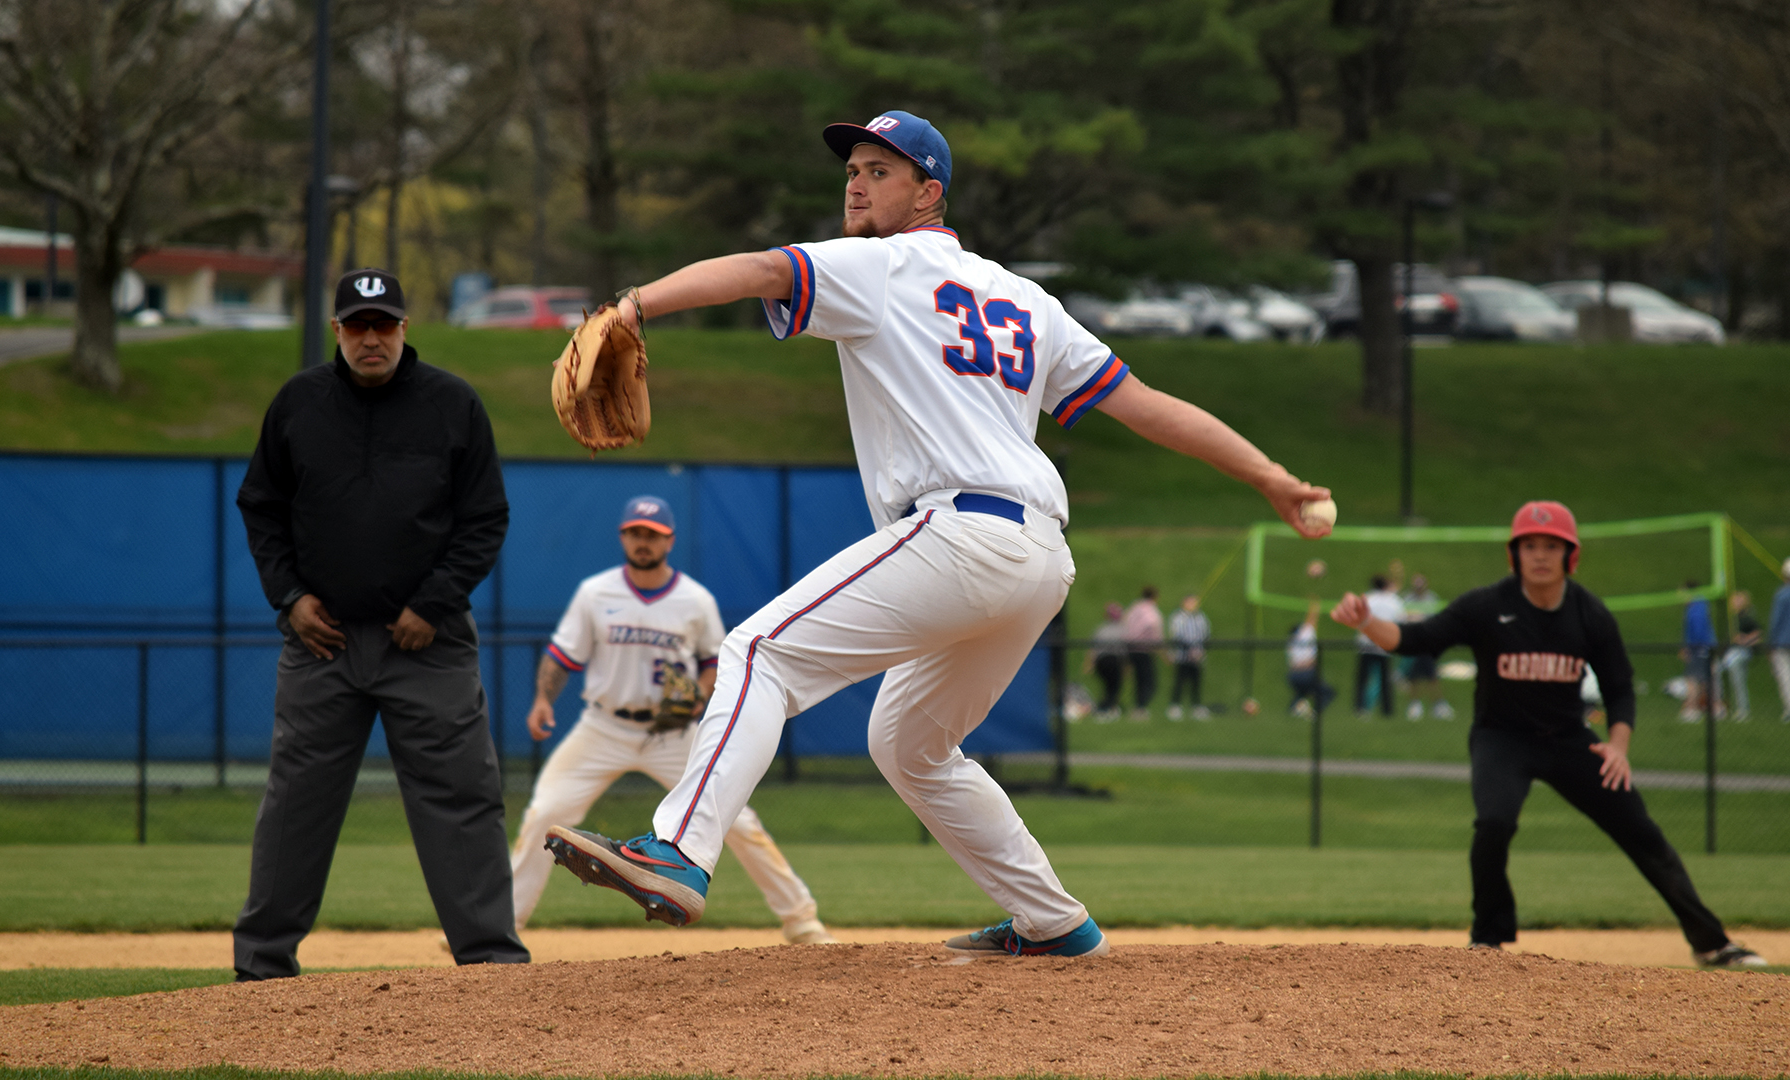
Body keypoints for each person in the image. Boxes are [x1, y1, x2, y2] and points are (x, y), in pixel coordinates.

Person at [541, 109, 1332, 959]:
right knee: (910, 744)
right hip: (1038, 559)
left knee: (759, 653)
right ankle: (1054, 922)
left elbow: (762, 269)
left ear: (930, 192)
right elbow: (1146, 406)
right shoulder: (1027, 300)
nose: (855, 181)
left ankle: (679, 852)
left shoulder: (881, 267)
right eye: (851, 167)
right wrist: (1272, 479)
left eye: (881, 170)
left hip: (962, 533)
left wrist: (632, 306)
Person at [231, 268, 528, 979]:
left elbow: (484, 519)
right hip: (320, 642)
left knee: (461, 798)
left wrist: (432, 603)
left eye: (384, 324)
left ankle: (490, 961)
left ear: (405, 328)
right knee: (296, 804)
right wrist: (289, 597)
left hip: (428, 644)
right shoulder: (298, 403)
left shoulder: (452, 404)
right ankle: (263, 967)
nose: (372, 338)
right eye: (357, 325)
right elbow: (261, 507)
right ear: (337, 330)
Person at [1331, 500, 1766, 968]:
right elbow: (1416, 639)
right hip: (1501, 739)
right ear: (1514, 554)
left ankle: (1711, 942)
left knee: (1640, 831)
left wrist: (1618, 745)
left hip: (1569, 739)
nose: (1540, 555)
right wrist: (1365, 623)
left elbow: (1620, 688)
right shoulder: (1486, 605)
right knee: (1493, 824)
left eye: (1551, 546)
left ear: (1570, 556)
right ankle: (1488, 940)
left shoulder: (1589, 613)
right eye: (1530, 545)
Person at [513, 496, 832, 944]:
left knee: (739, 823)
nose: (643, 542)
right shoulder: (595, 593)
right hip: (604, 727)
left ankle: (801, 920)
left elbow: (712, 663)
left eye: (653, 535)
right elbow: (562, 656)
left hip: (672, 732)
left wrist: (698, 697)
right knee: (544, 811)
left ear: (669, 541)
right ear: (624, 536)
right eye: (636, 533)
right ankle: (503, 925)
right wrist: (542, 701)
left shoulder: (694, 599)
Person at [1400, 574, 1451, 720]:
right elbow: (1403, 617)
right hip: (1413, 643)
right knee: (1413, 677)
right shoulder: (1407, 599)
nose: (1419, 589)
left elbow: (1437, 619)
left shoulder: (1431, 599)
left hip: (1427, 643)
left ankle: (1438, 705)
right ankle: (1414, 705)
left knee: (1432, 675)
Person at [1354, 575, 1404, 718]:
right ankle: (1387, 710)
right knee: (1385, 678)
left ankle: (1360, 708)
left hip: (1366, 642)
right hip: (1385, 643)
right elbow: (1401, 620)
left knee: (1363, 678)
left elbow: (1358, 619)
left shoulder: (1367, 599)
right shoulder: (1394, 601)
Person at [1285, 601, 1336, 718]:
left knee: (1301, 694)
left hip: (1293, 675)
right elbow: (1311, 621)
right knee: (1327, 693)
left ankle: (1292, 710)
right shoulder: (1305, 634)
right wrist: (1315, 606)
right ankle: (1314, 713)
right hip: (1307, 673)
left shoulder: (1290, 643)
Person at [1121, 586, 1164, 719]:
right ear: (1155, 597)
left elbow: (1125, 623)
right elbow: (1154, 629)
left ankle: (1138, 707)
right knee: (1149, 682)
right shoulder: (1152, 612)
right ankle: (1140, 708)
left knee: (1139, 680)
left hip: (1130, 648)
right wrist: (1163, 652)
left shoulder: (1134, 608)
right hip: (1144, 650)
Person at [1166, 594, 1211, 720]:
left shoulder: (1201, 618)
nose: (1193, 605)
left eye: (1195, 603)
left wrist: (1200, 650)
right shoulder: (1178, 618)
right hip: (1182, 655)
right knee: (1180, 681)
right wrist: (1189, 649)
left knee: (1196, 682)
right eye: (1190, 602)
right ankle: (1175, 706)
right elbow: (1177, 635)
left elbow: (1206, 634)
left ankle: (1196, 706)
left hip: (1197, 656)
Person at [1084, 602, 1129, 721]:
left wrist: (1090, 664)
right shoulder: (1122, 630)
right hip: (1114, 660)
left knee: (1107, 686)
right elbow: (1124, 650)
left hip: (1101, 661)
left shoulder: (1101, 629)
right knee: (1114, 687)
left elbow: (1093, 648)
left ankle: (1108, 706)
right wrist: (1126, 666)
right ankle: (1106, 708)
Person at [1678, 582, 1716, 722]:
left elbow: (1698, 631)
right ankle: (1707, 707)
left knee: (1692, 679)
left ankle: (1692, 709)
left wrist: (1690, 648)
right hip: (1703, 648)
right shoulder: (1699, 606)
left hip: (1699, 649)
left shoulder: (1696, 608)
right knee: (1703, 679)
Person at [1719, 591, 1758, 722]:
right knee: (1728, 679)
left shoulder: (1746, 618)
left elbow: (1757, 636)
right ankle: (1724, 707)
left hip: (1740, 653)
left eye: (1737, 600)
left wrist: (1743, 640)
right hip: (1731, 654)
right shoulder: (1734, 619)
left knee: (1738, 682)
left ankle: (1743, 710)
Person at [1772, 559, 1790, 722]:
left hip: (1783, 641)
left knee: (1785, 676)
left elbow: (1776, 620)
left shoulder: (1781, 595)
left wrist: (1771, 642)